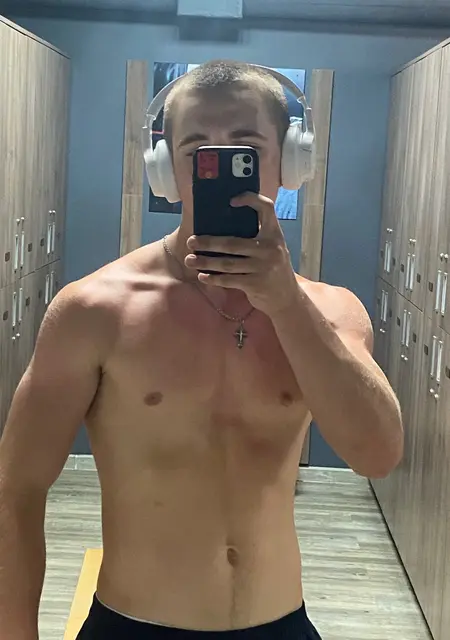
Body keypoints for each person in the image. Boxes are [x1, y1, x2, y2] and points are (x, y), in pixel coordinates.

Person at [0, 60, 403, 640]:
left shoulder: (330, 312)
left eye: (245, 148)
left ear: (291, 161)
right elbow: (16, 487)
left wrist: (286, 305)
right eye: (197, 151)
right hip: (132, 626)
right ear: (166, 168)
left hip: (280, 624)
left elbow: (378, 455)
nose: (218, 167)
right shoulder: (95, 310)